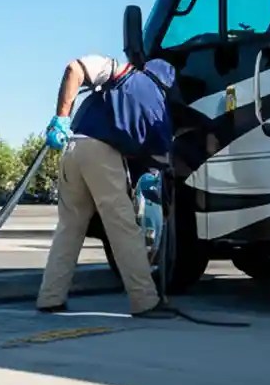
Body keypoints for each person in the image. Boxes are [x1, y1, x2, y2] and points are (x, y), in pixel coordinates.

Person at [37, 53, 177, 319]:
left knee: (69, 227)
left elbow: (75, 68)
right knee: (123, 227)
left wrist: (61, 119)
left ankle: (50, 298)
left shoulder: (119, 72)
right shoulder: (158, 106)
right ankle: (145, 300)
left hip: (71, 146)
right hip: (101, 152)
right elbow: (157, 162)